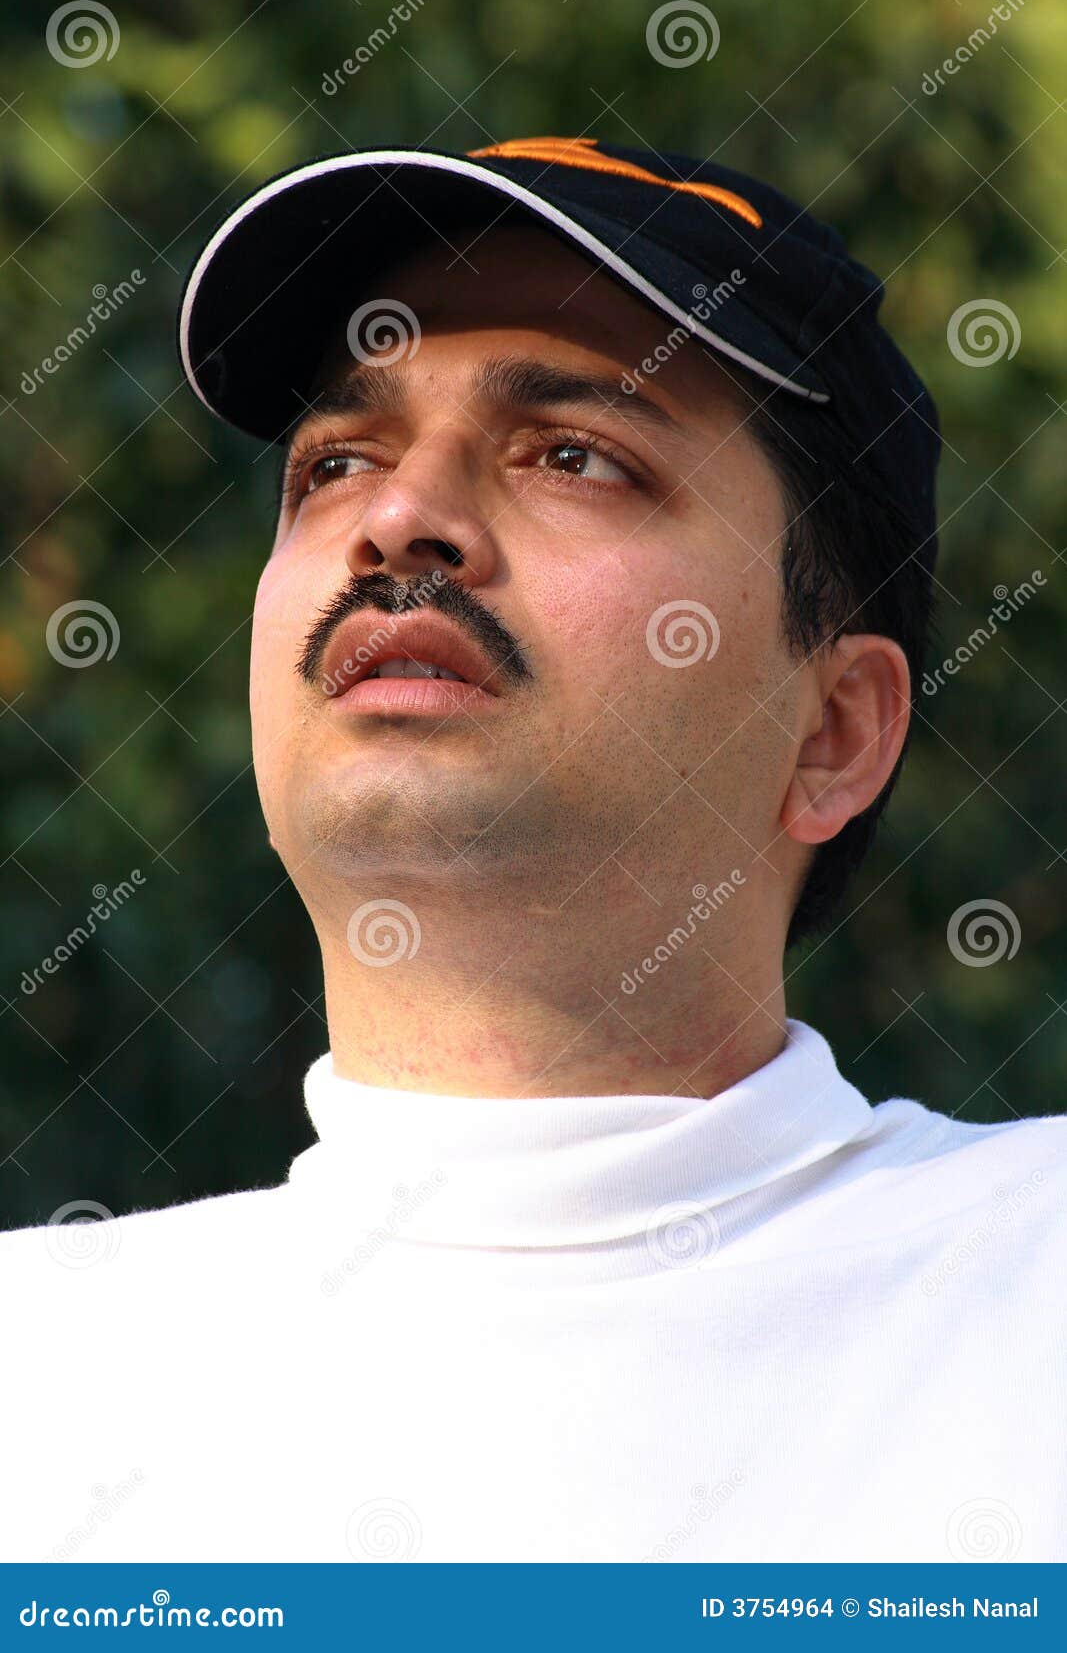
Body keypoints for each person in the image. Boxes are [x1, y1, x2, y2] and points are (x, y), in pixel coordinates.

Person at [2, 137, 1063, 1564]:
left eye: (576, 452)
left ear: (834, 733)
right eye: (339, 459)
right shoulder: (43, 1377)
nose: (397, 519)